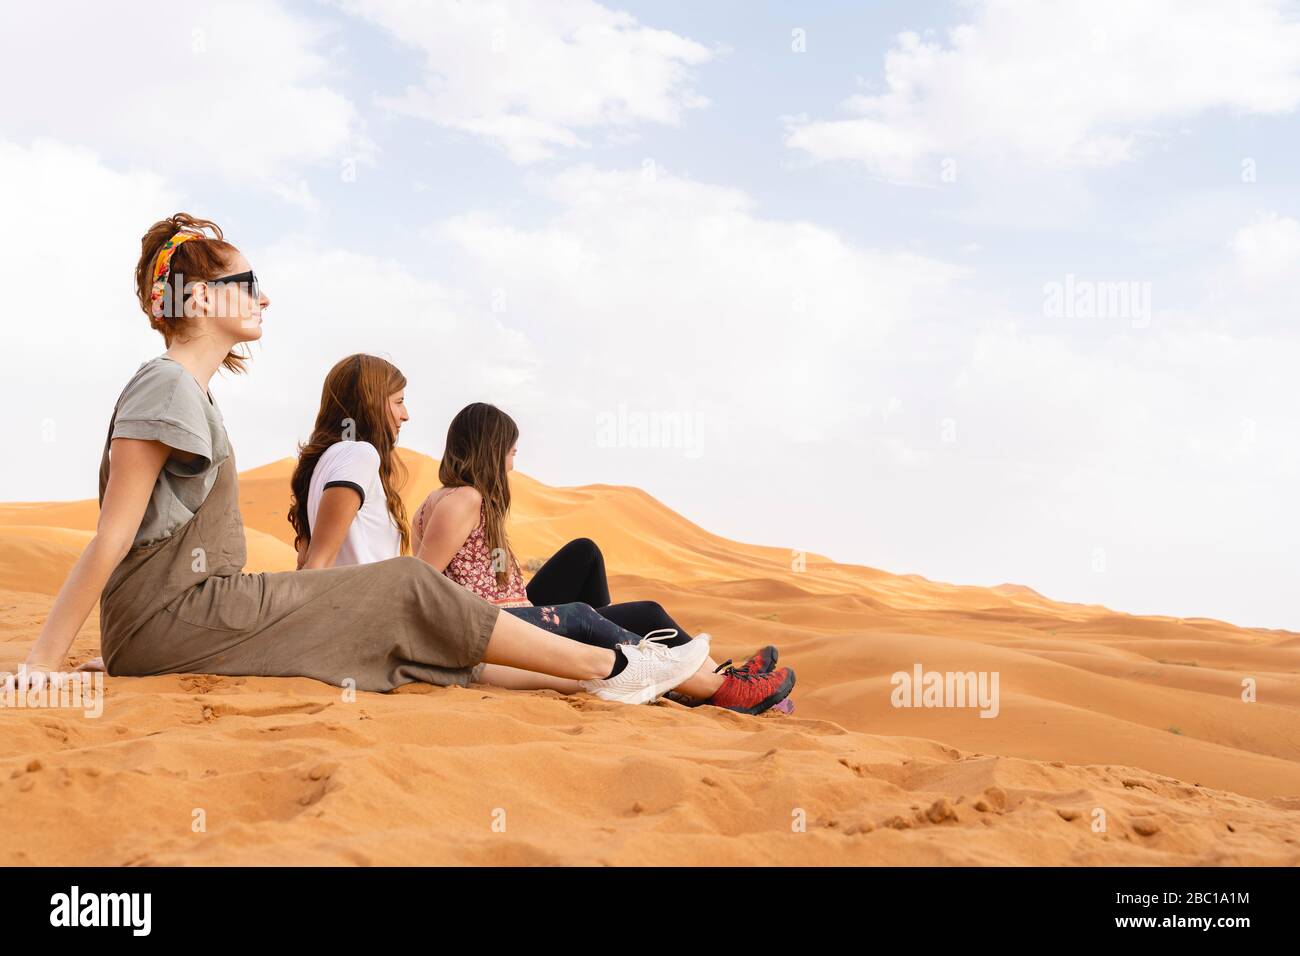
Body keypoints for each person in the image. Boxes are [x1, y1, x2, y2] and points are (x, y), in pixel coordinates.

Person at [9, 213, 710, 709]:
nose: (264, 296)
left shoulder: (190, 394)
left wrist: (136, 646)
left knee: (390, 629)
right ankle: (616, 664)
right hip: (184, 614)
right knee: (404, 586)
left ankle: (607, 674)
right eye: (247, 282)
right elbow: (114, 534)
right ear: (197, 297)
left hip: (184, 620)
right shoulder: (165, 386)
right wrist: (48, 662)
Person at [411, 403, 796, 715]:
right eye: (510, 452)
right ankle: (721, 686)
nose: (513, 463)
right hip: (497, 627)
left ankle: (714, 678)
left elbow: (476, 572)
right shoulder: (464, 500)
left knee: (584, 554)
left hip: (515, 612)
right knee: (643, 612)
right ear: (491, 451)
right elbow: (422, 582)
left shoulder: (455, 501)